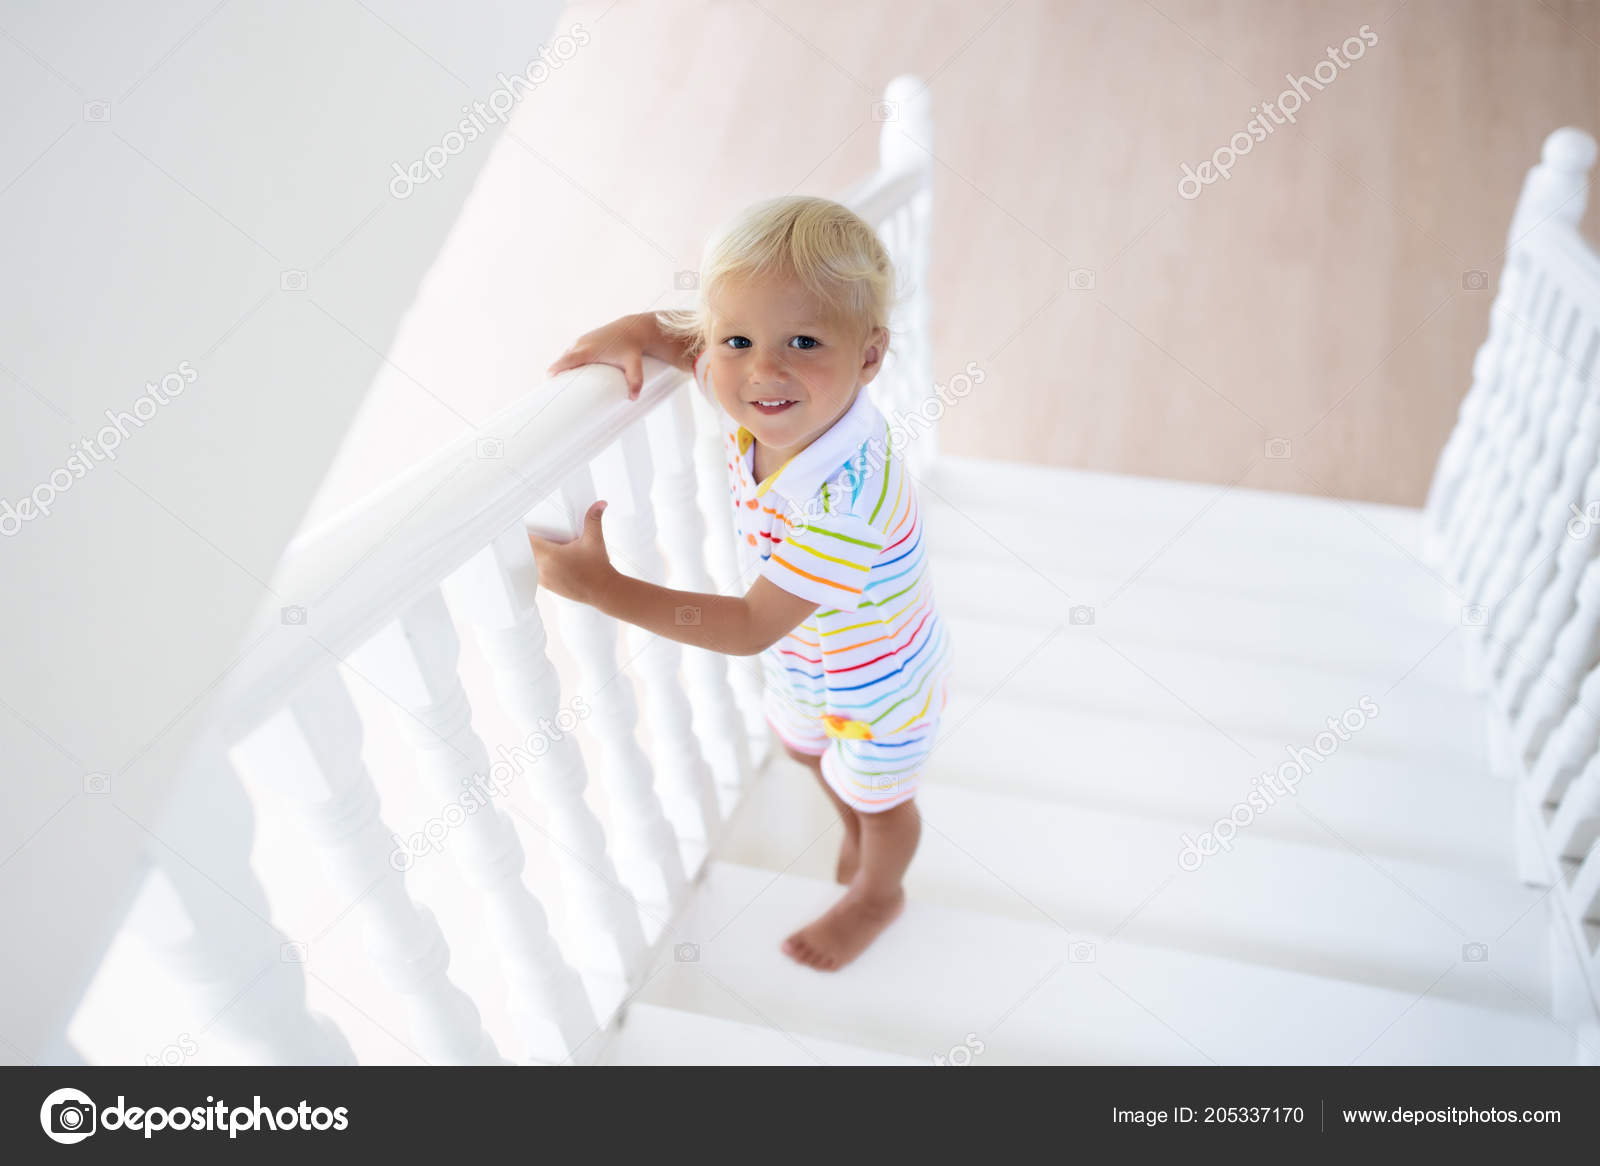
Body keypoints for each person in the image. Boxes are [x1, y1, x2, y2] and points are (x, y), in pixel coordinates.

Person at [534, 195, 952, 971]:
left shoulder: (844, 495)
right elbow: (695, 333)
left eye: (803, 340)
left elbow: (751, 624)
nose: (764, 370)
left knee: (883, 803)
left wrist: (606, 589)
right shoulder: (771, 399)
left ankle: (877, 892)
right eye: (737, 341)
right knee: (803, 754)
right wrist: (636, 330)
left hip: (880, 678)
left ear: (869, 356)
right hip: (809, 658)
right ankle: (851, 822)